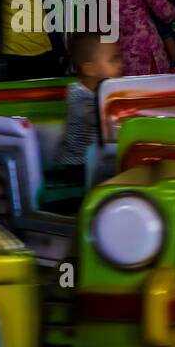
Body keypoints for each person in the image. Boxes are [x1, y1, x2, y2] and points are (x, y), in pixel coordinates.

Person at [42, 33, 124, 213]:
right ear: (91, 69)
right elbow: (103, 118)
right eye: (113, 60)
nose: (120, 65)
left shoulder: (101, 94)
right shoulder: (79, 96)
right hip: (75, 167)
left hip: (91, 162)